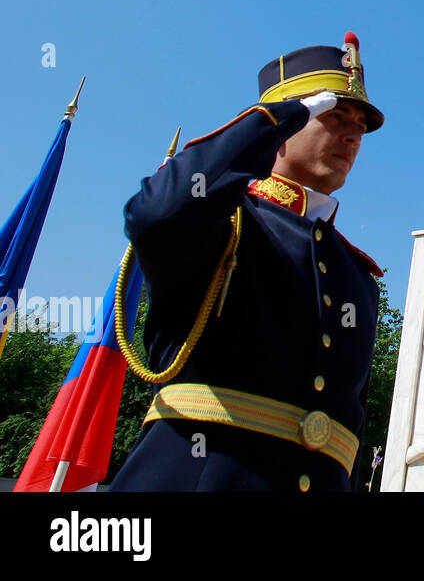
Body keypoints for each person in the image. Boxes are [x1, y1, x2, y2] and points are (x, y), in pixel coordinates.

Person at [110, 34, 384, 492]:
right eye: (334, 116)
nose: (353, 133)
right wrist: (279, 117)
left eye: (359, 124)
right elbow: (155, 212)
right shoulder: (228, 222)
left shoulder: (357, 274)